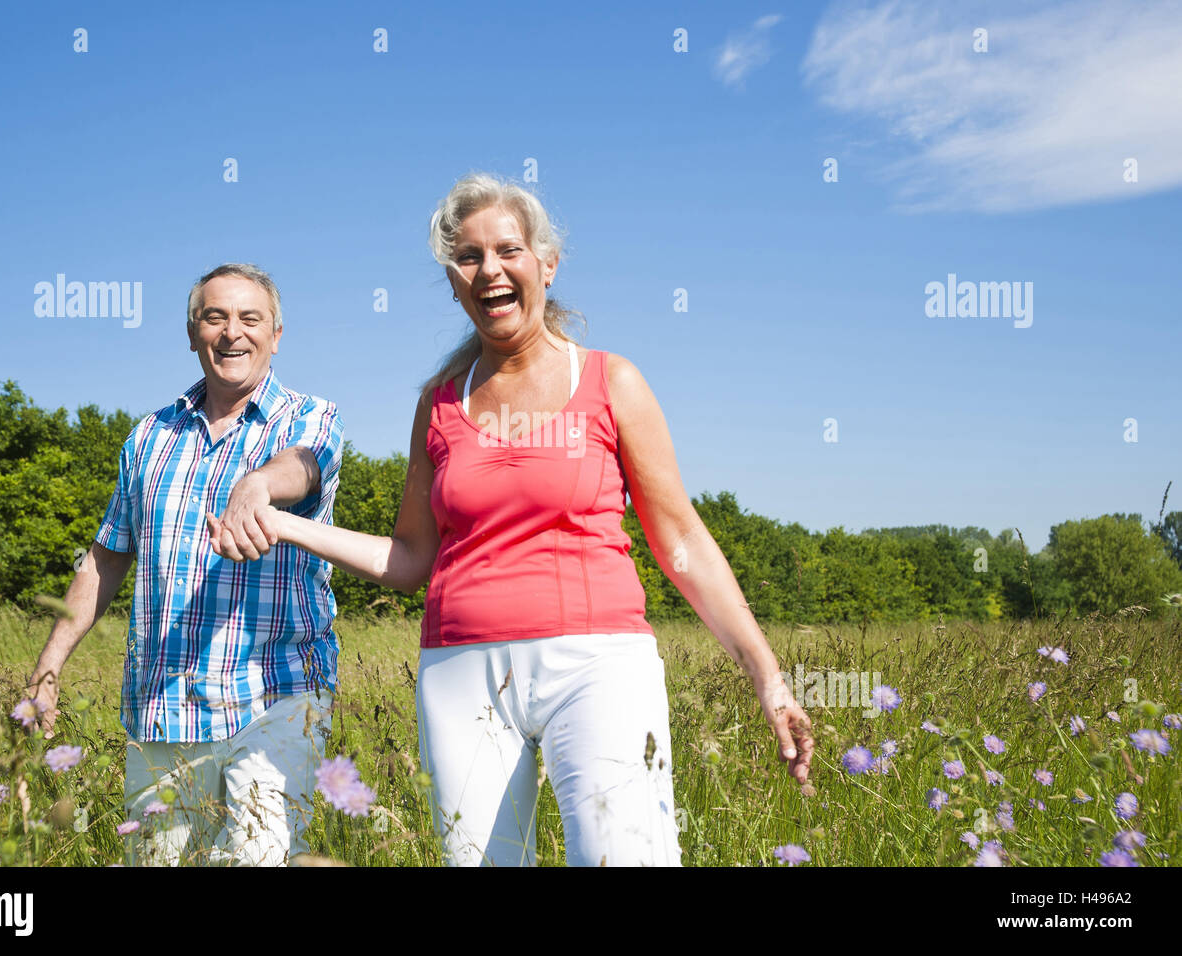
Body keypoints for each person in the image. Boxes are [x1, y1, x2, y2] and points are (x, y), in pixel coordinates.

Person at [208, 175, 813, 866]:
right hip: (459, 668)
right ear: (454, 281)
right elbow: (410, 560)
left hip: (598, 662)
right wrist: (285, 525)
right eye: (468, 257)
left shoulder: (612, 381)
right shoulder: (438, 405)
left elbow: (680, 542)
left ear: (546, 264)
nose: (489, 268)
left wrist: (768, 676)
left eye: (507, 250)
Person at [28, 263, 344, 866]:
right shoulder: (148, 436)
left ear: (276, 334)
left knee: (261, 859)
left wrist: (258, 484)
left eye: (251, 319)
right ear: (193, 330)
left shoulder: (311, 418)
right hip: (163, 705)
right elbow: (106, 557)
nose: (233, 333)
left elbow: (303, 464)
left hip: (275, 696)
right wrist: (48, 668)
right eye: (215, 317)